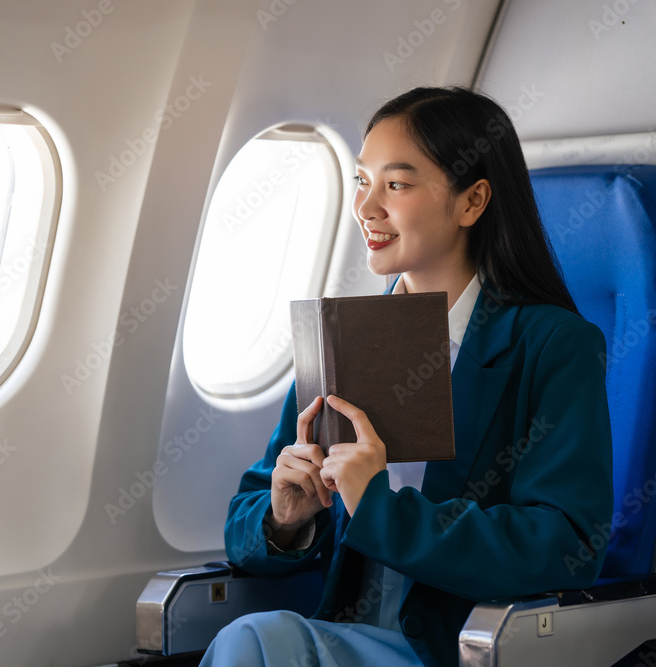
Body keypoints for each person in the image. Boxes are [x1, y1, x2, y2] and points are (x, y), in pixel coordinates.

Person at [199, 87, 614, 667]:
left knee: (257, 642)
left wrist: (377, 507)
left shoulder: (551, 345)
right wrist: (284, 518)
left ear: (472, 202)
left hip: (462, 649)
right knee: (257, 638)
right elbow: (246, 518)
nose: (367, 208)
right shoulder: (340, 340)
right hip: (348, 639)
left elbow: (562, 548)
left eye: (396, 184)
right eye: (362, 182)